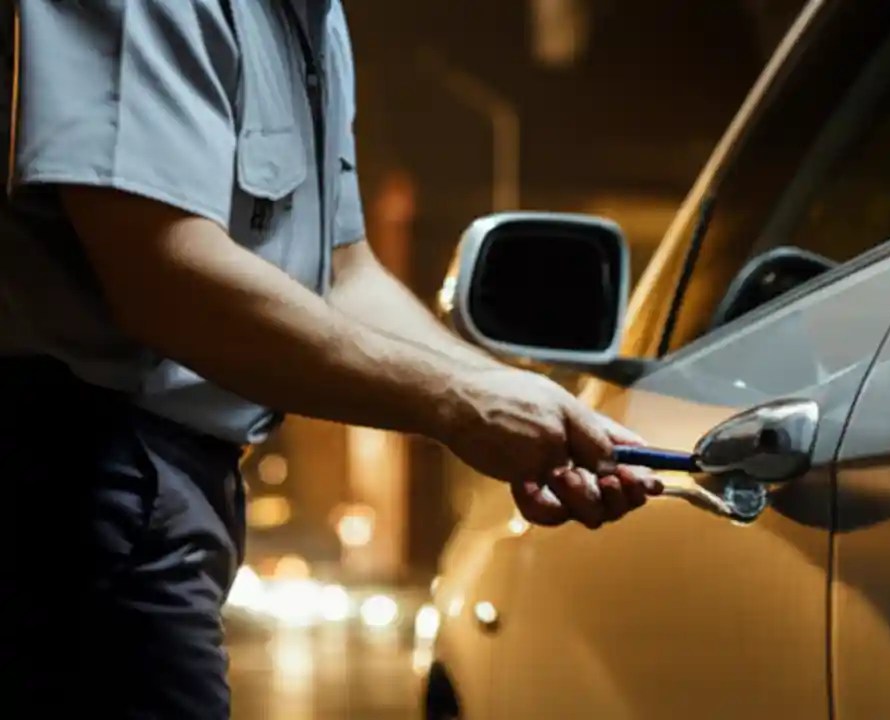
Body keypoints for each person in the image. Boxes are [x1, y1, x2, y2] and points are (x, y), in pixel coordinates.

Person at [0, 1, 661, 716]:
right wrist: (455, 401)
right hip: (80, 481)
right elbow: (163, 273)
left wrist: (503, 389)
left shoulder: (314, 21)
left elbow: (344, 277)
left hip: (178, 488)